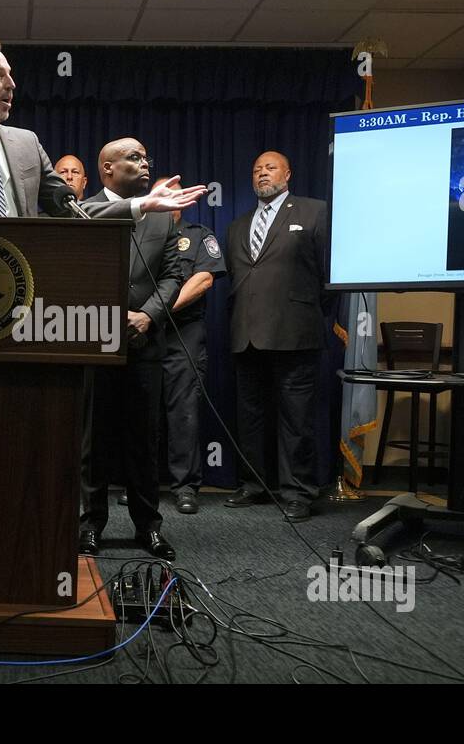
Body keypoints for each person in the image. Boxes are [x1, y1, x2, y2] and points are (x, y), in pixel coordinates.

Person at [0, 36, 203, 219]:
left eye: (9, 74)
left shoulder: (27, 144)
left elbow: (72, 212)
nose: (12, 84)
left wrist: (139, 203)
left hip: (19, 283)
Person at [78, 139, 183, 562]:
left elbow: (173, 276)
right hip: (93, 342)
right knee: (94, 441)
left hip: (145, 343)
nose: (144, 164)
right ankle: (90, 525)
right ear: (107, 168)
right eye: (134, 158)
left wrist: (147, 315)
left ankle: (148, 527)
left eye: (146, 157)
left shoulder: (163, 220)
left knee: (145, 440)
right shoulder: (81, 212)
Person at [224, 151, 330, 521]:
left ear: (288, 173)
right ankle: (254, 484)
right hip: (246, 333)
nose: (262, 174)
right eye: (256, 170)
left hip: (296, 331)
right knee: (249, 416)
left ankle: (298, 491)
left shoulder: (315, 212)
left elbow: (328, 276)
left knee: (296, 418)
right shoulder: (238, 225)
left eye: (269, 168)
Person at [153, 176, 226, 515]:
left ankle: (185, 487)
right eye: (161, 194)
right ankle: (144, 483)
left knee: (183, 411)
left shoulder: (199, 236)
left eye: (173, 194)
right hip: (146, 335)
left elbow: (204, 279)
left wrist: (158, 308)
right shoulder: (140, 234)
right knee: (145, 410)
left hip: (183, 332)